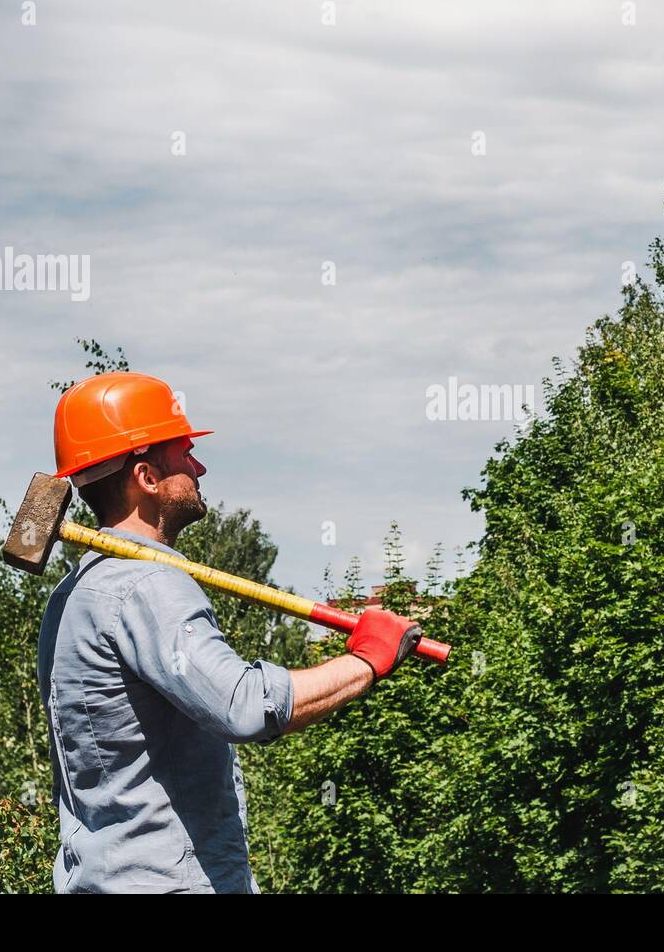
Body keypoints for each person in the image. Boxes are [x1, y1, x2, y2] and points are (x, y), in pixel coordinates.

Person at [37, 370, 421, 893]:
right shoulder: (147, 584)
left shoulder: (74, 595)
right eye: (183, 454)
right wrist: (367, 660)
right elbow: (243, 706)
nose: (199, 466)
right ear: (147, 477)